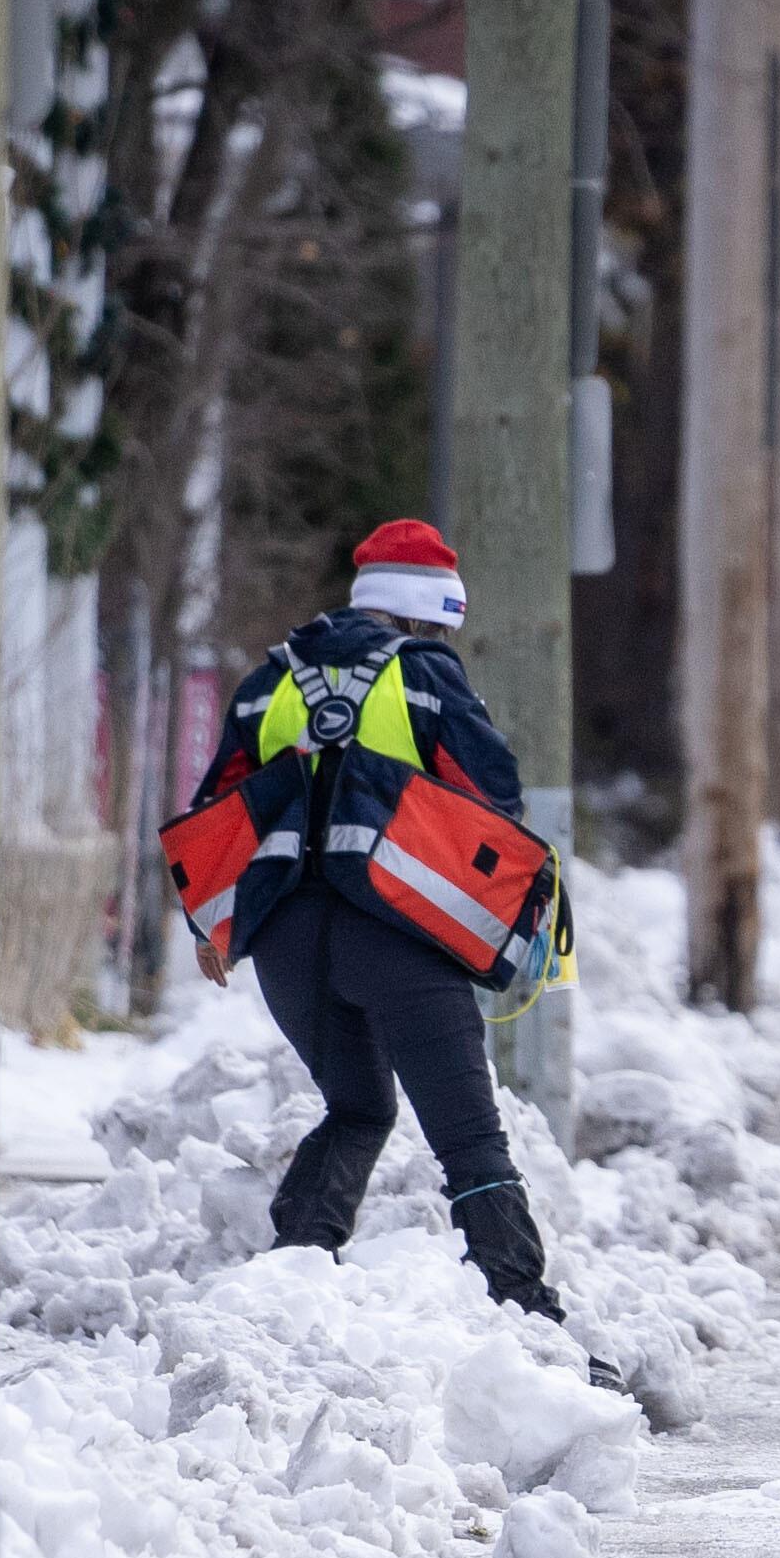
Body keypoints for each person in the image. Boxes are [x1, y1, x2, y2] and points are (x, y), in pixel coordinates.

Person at [189, 519, 602, 1368]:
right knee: (470, 1142)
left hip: (288, 944)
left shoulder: (272, 681)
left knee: (359, 1106)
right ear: (433, 615)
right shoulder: (425, 678)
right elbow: (494, 799)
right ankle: (529, 1323)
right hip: (401, 938)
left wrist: (215, 927)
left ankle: (288, 1293)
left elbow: (216, 811)